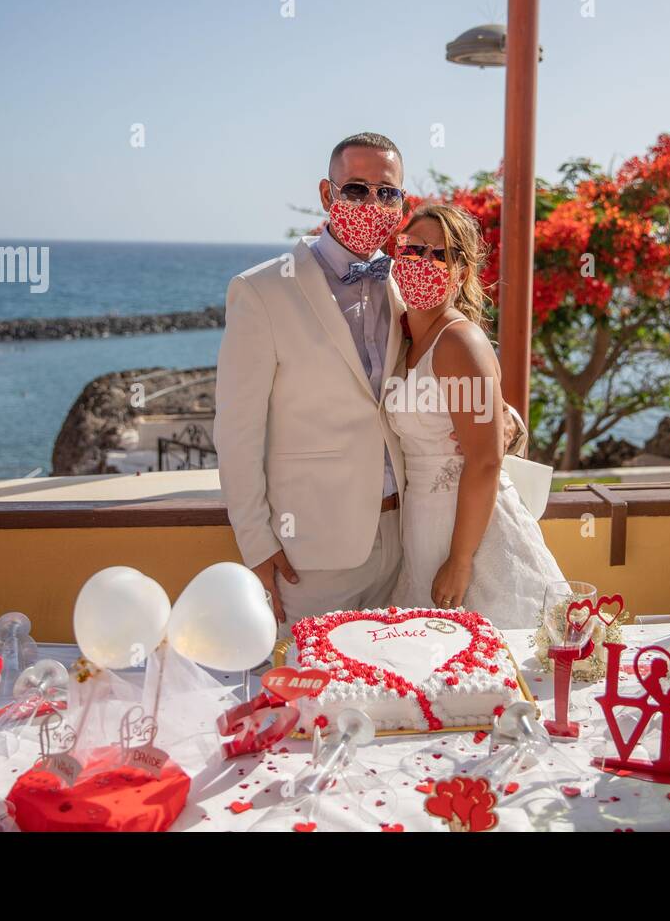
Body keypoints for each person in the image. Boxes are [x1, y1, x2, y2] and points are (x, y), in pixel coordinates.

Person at [213, 133, 523, 630]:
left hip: (408, 540)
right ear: (326, 194)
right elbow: (236, 429)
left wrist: (503, 419)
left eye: (387, 191)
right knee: (313, 693)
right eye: (356, 189)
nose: (372, 203)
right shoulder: (262, 290)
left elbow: (449, 377)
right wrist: (257, 544)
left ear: (401, 203)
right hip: (311, 554)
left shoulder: (407, 278)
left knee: (394, 692)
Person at [385, 203, 564, 628]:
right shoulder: (404, 341)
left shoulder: (460, 342)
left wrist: (461, 560)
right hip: (422, 525)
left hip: (472, 535)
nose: (423, 262)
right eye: (413, 250)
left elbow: (486, 460)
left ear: (460, 272)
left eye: (439, 254)